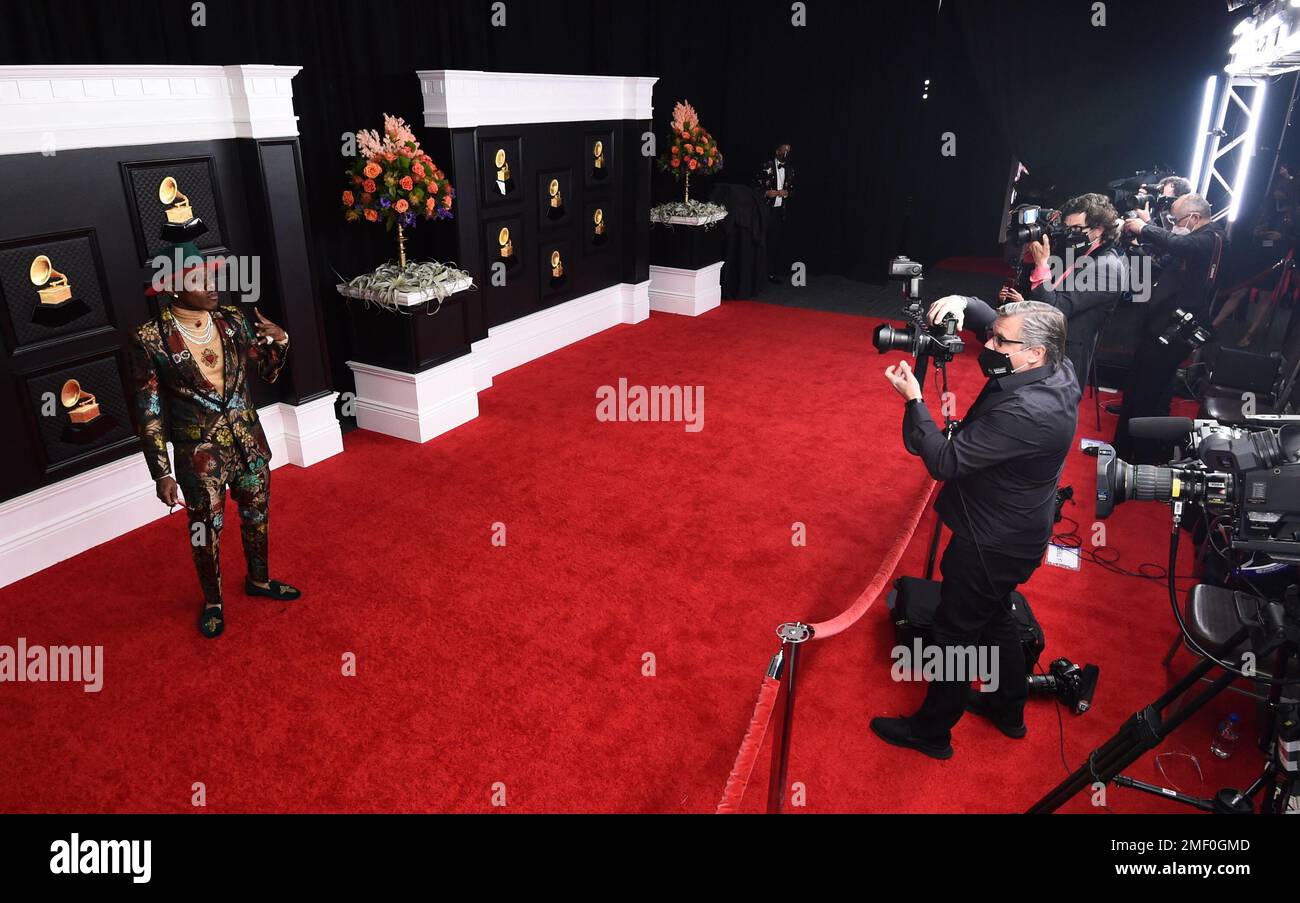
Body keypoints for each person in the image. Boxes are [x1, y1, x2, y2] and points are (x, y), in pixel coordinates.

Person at [871, 300, 1080, 758]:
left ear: (1035, 354)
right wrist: (966, 303)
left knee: (954, 632)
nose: (987, 344)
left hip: (992, 541)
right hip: (1018, 530)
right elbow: (997, 323)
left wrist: (914, 401)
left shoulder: (1028, 410)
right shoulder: (1061, 370)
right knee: (995, 614)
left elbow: (946, 460)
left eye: (1000, 342)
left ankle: (932, 733)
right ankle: (1008, 709)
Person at [127, 252, 300, 638]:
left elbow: (267, 373)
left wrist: (280, 341)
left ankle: (258, 580)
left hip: (248, 443)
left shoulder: (233, 320)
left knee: (257, 516)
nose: (210, 287)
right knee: (205, 530)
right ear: (172, 288)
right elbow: (148, 412)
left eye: (211, 278)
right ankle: (213, 601)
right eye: (198, 281)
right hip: (199, 455)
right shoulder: (149, 338)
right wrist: (161, 473)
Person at [1113, 193, 1226, 463]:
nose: (1174, 224)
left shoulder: (1211, 239)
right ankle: (1120, 448)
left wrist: (1145, 228)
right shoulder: (1192, 241)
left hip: (1173, 332)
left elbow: (1179, 244)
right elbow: (1166, 262)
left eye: (1177, 219)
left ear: (1195, 218)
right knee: (1135, 388)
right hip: (1158, 324)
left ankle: (1140, 459)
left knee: (1148, 396)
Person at [998, 192, 1128, 385]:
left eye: (1076, 228)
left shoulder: (1107, 268)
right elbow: (1051, 292)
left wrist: (1041, 264)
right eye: (1068, 228)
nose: (1070, 234)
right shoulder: (1078, 252)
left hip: (1065, 357)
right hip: (1043, 343)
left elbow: (1056, 309)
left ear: (1099, 230)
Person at [753, 143, 793, 284]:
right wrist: (769, 193)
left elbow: (791, 188)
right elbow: (756, 187)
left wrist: (787, 193)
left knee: (774, 242)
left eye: (788, 151)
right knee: (762, 241)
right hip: (765, 210)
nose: (786, 153)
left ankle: (771, 273)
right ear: (777, 151)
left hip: (779, 211)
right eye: (784, 151)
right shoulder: (766, 166)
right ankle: (759, 273)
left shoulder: (789, 169)